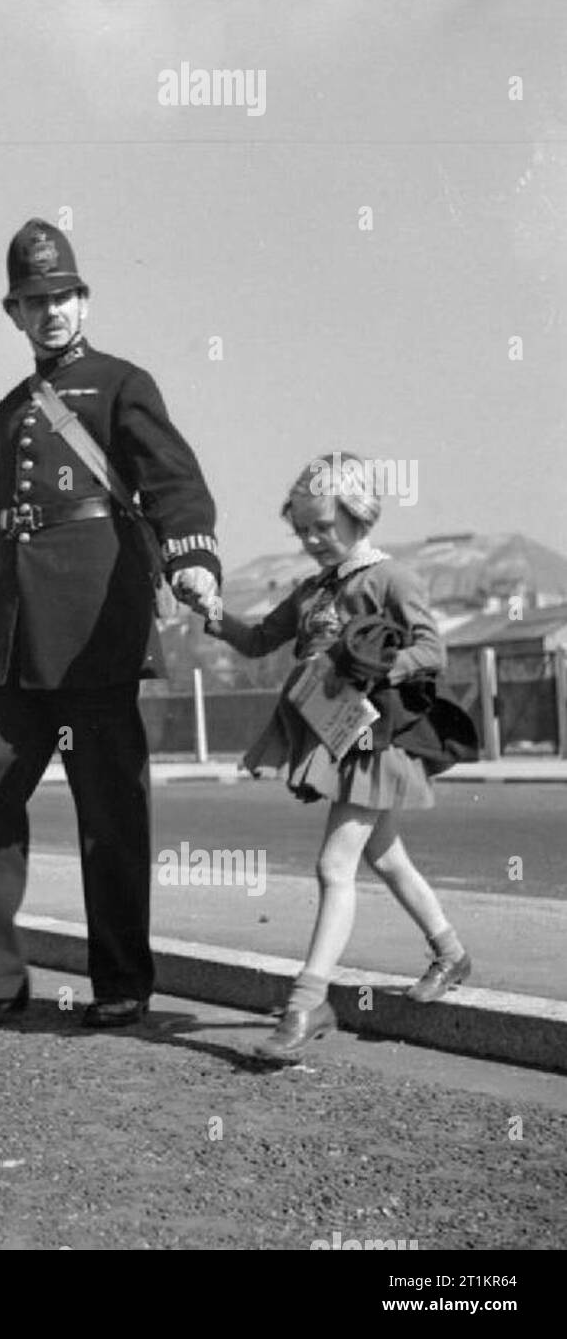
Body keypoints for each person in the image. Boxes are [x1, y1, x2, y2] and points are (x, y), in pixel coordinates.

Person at [0, 218, 221, 1029]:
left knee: (110, 815)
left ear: (84, 300)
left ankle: (120, 982)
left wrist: (194, 556)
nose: (51, 310)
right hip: (13, 640)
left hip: (95, 631)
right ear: (12, 311)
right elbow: (0, 532)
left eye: (63, 295)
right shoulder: (7, 409)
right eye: (33, 299)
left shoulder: (123, 384)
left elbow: (175, 484)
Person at [183, 452, 476, 1062]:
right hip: (339, 737)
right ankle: (451, 953)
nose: (314, 539)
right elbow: (262, 639)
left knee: (333, 867)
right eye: (304, 529)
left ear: (357, 514)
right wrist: (211, 612)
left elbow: (432, 650)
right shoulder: (313, 589)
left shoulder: (391, 579)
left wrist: (374, 667)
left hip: (376, 740)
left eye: (324, 526)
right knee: (388, 860)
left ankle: (308, 1001)